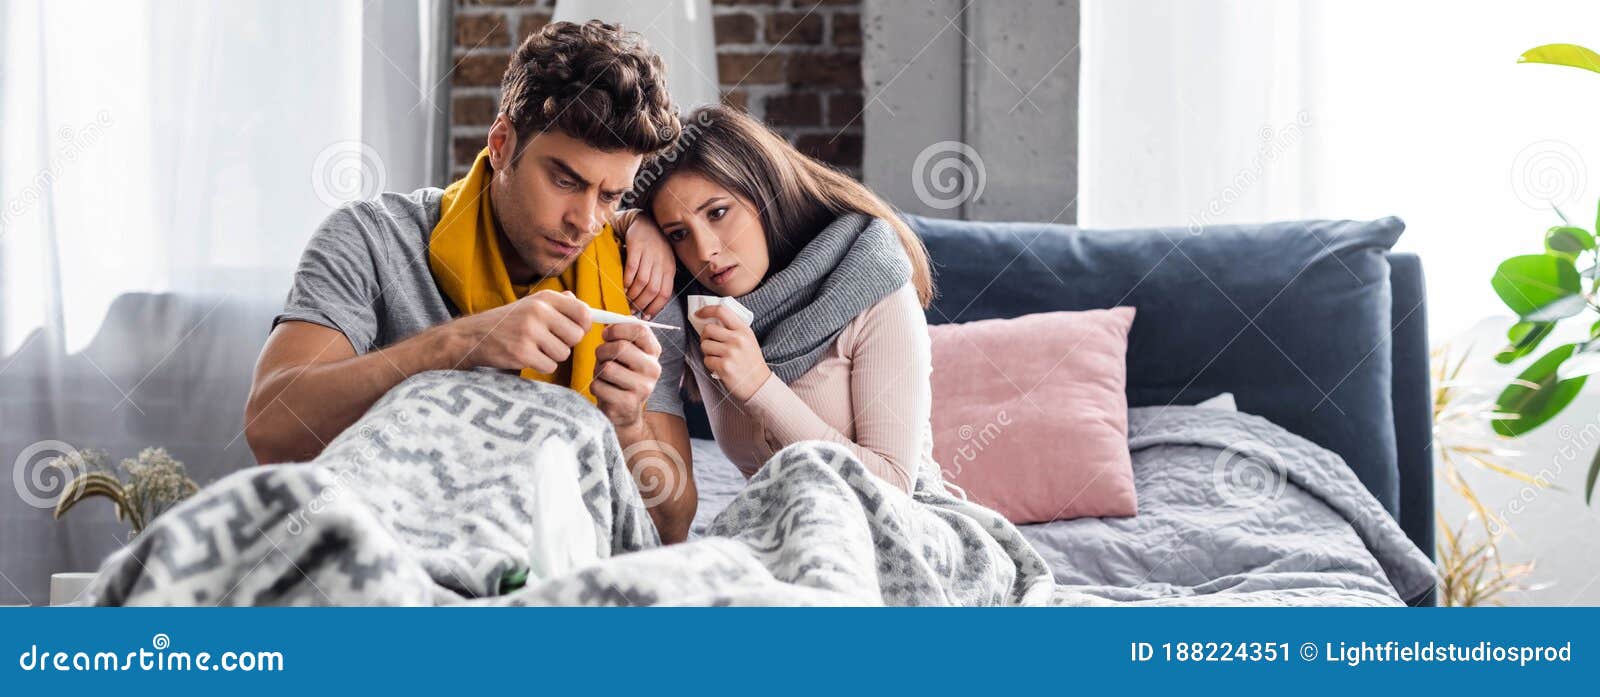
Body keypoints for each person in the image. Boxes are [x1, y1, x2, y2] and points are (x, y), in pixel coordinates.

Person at [244, 21, 698, 541]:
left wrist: (628, 423)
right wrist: (461, 343)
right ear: (502, 144)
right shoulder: (370, 239)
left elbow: (673, 527)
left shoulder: (639, 283)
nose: (585, 220)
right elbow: (272, 430)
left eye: (611, 196)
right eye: (564, 180)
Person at [634, 105, 938, 494]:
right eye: (678, 233)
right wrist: (634, 226)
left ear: (764, 190)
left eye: (718, 213)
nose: (705, 250)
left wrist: (760, 386)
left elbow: (895, 488)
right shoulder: (694, 301)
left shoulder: (871, 277)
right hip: (778, 536)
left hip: (900, 532)